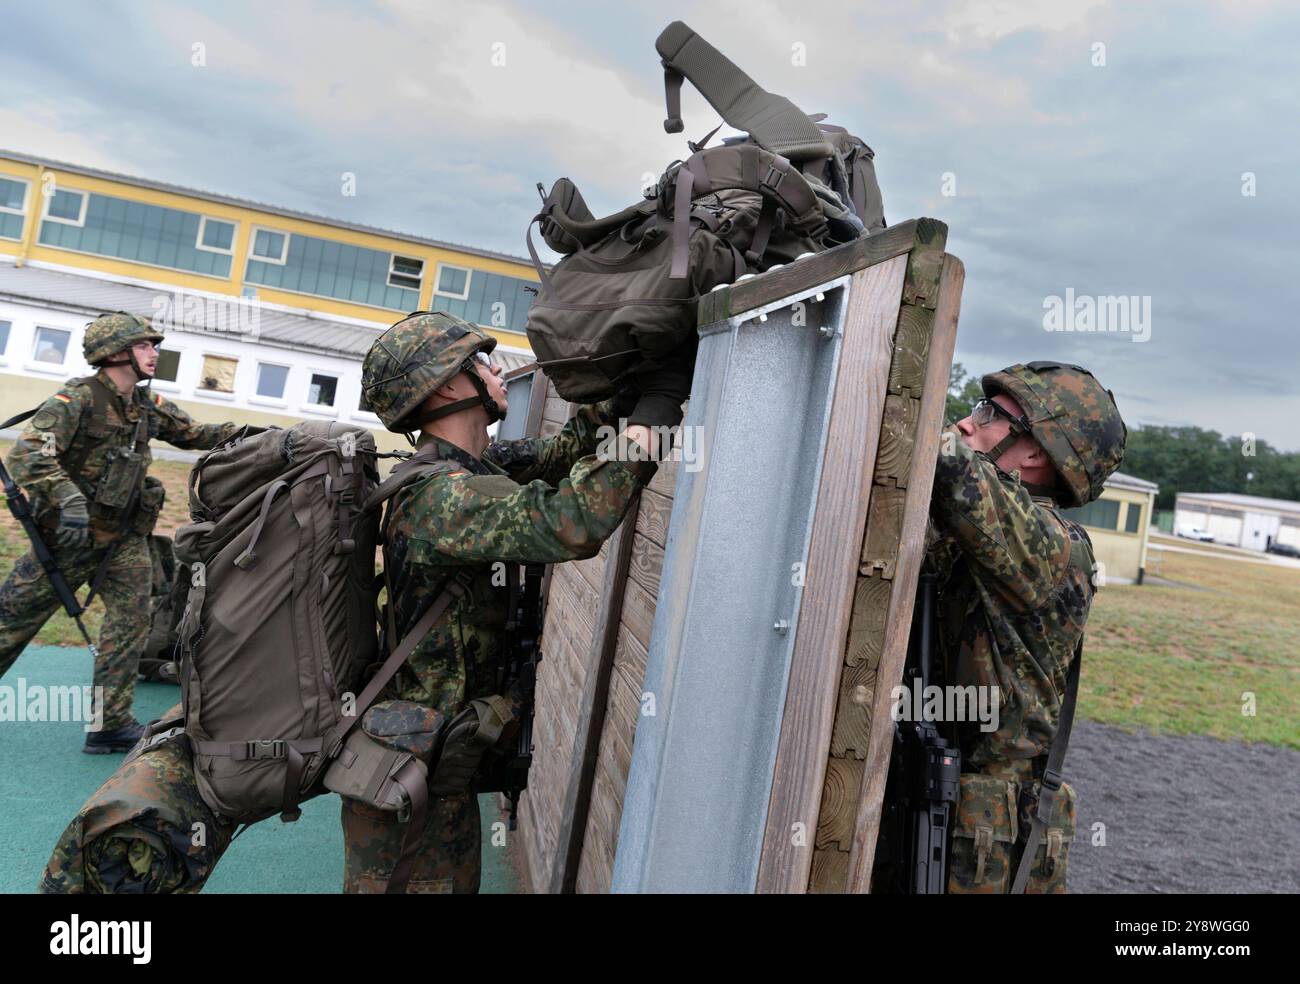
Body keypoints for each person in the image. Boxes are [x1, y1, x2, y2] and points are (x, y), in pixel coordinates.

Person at [344, 310, 679, 893]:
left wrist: (626, 387)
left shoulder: (471, 468)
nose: (496, 368)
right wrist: (651, 422)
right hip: (410, 778)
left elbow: (565, 453)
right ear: (449, 386)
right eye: (480, 361)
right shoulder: (440, 498)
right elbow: (570, 521)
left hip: (432, 763)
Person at [927, 361, 1126, 893]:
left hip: (983, 829)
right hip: (940, 789)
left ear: (1037, 451)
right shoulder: (988, 530)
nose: (968, 423)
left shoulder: (1050, 544)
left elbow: (947, 465)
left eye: (989, 414)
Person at [0, 312, 239, 753]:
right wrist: (69, 499)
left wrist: (261, 435)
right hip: (66, 540)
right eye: (146, 346)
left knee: (130, 625)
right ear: (116, 353)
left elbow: (194, 433)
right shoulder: (76, 400)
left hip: (122, 541)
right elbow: (28, 455)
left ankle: (107, 723)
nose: (154, 354)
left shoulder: (144, 405)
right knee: (11, 622)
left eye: (154, 346)